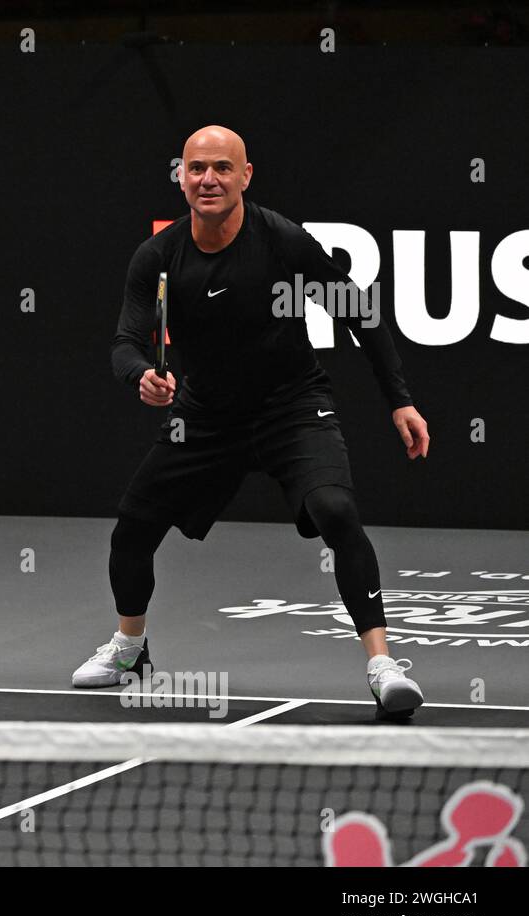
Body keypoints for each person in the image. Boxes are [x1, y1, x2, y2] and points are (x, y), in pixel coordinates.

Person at [72, 125, 430, 716]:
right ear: (180, 176)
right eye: (195, 168)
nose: (207, 179)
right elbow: (125, 340)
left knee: (336, 511)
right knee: (132, 528)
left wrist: (400, 398)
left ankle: (382, 664)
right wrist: (140, 374)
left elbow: (358, 314)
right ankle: (130, 650)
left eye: (220, 168)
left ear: (245, 176)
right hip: (207, 415)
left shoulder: (283, 241)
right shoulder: (159, 256)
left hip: (291, 406)